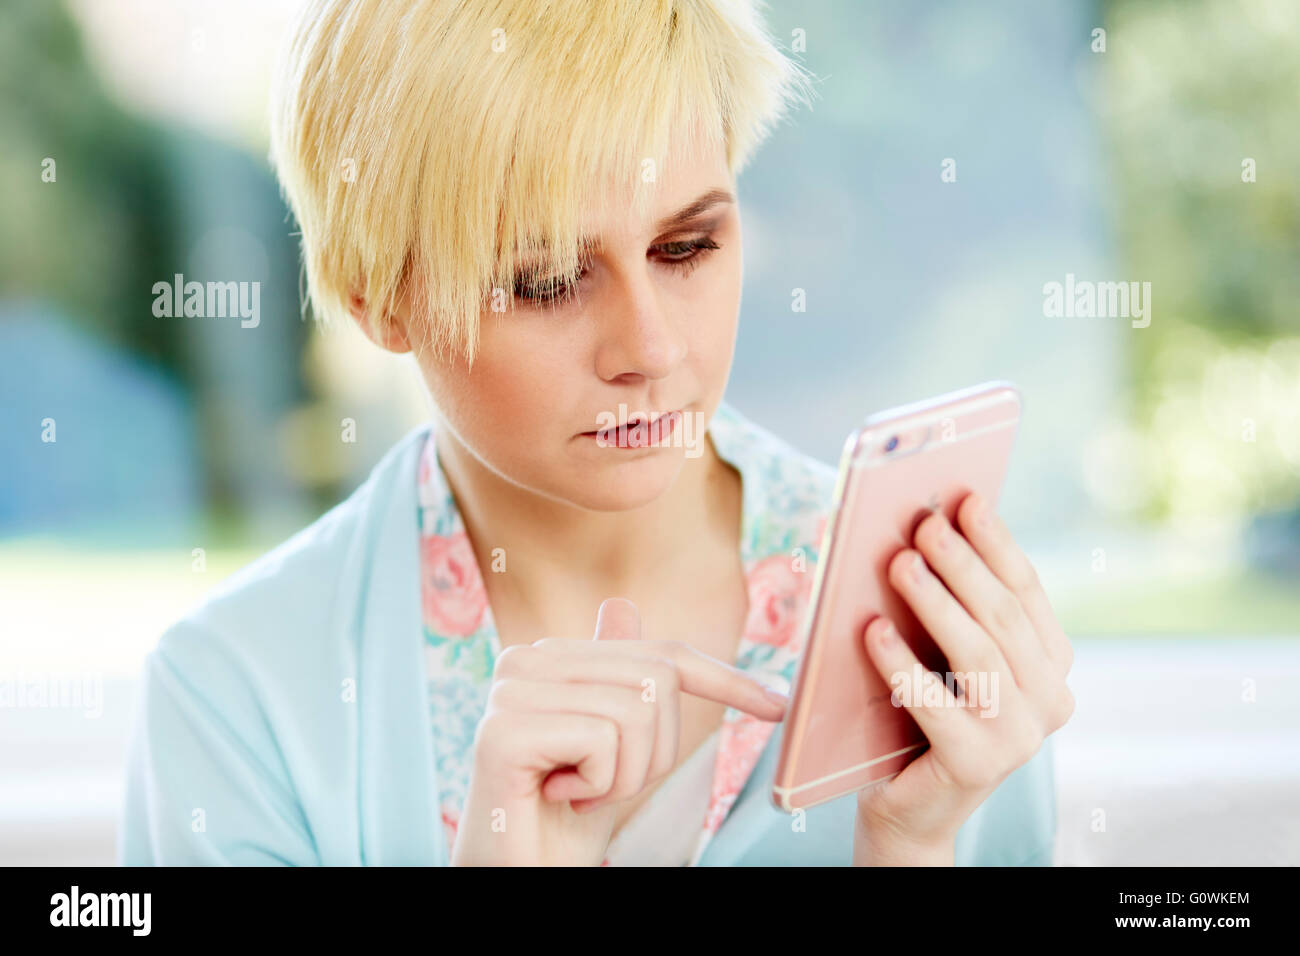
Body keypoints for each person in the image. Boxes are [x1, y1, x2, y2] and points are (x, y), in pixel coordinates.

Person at [118, 0, 1073, 866]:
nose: (650, 348)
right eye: (544, 282)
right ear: (379, 300)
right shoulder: (235, 699)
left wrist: (913, 847)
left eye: (686, 247)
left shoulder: (941, 626)